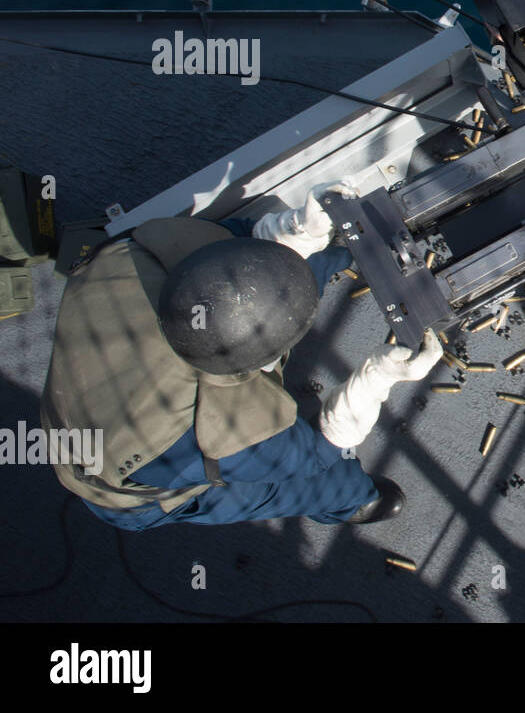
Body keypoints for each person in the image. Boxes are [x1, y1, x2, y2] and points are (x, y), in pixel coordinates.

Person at [39, 182, 441, 530]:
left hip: (98, 384)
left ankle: (335, 252)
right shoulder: (224, 437)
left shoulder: (135, 252)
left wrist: (299, 231)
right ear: (256, 364)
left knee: (295, 266)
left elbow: (228, 243)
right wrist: (376, 379)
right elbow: (314, 455)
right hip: (128, 483)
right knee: (311, 483)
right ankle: (350, 501)